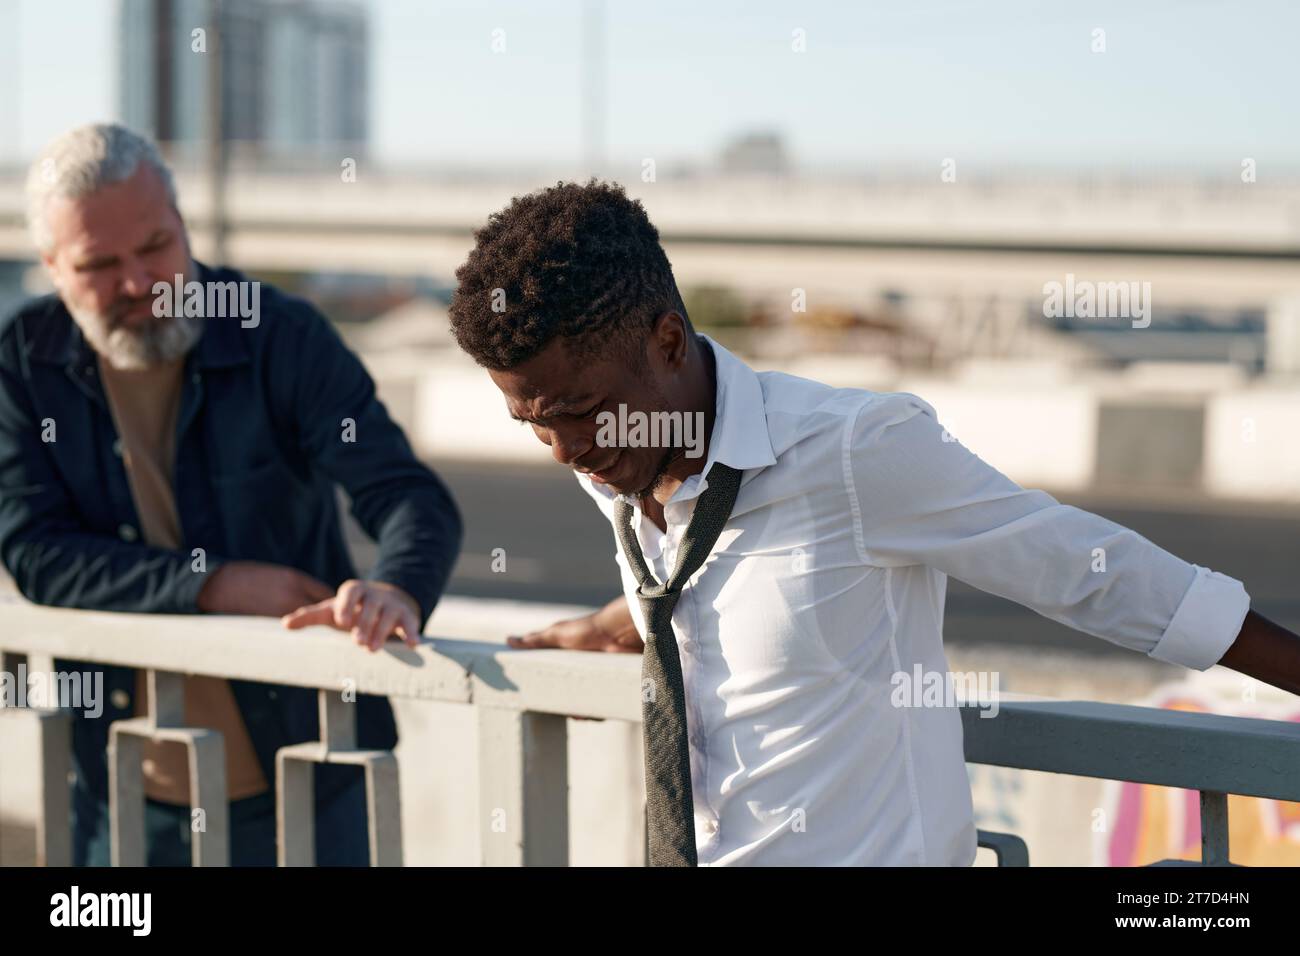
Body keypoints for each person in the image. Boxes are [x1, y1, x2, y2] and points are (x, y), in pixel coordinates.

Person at [448, 179, 1300, 866]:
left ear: (669, 341)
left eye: (582, 411)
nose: (563, 451)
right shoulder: (624, 459)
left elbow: (1084, 569)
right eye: (533, 423)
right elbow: (723, 581)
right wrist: (627, 620)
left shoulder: (855, 450)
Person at [0, 123, 463, 866]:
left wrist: (397, 589)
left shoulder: (281, 336)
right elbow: (34, 551)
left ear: (183, 224)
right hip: (120, 793)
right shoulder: (22, 363)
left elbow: (408, 495)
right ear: (52, 267)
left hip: (314, 777)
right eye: (99, 264)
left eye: (156, 246)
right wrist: (212, 584)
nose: (138, 282)